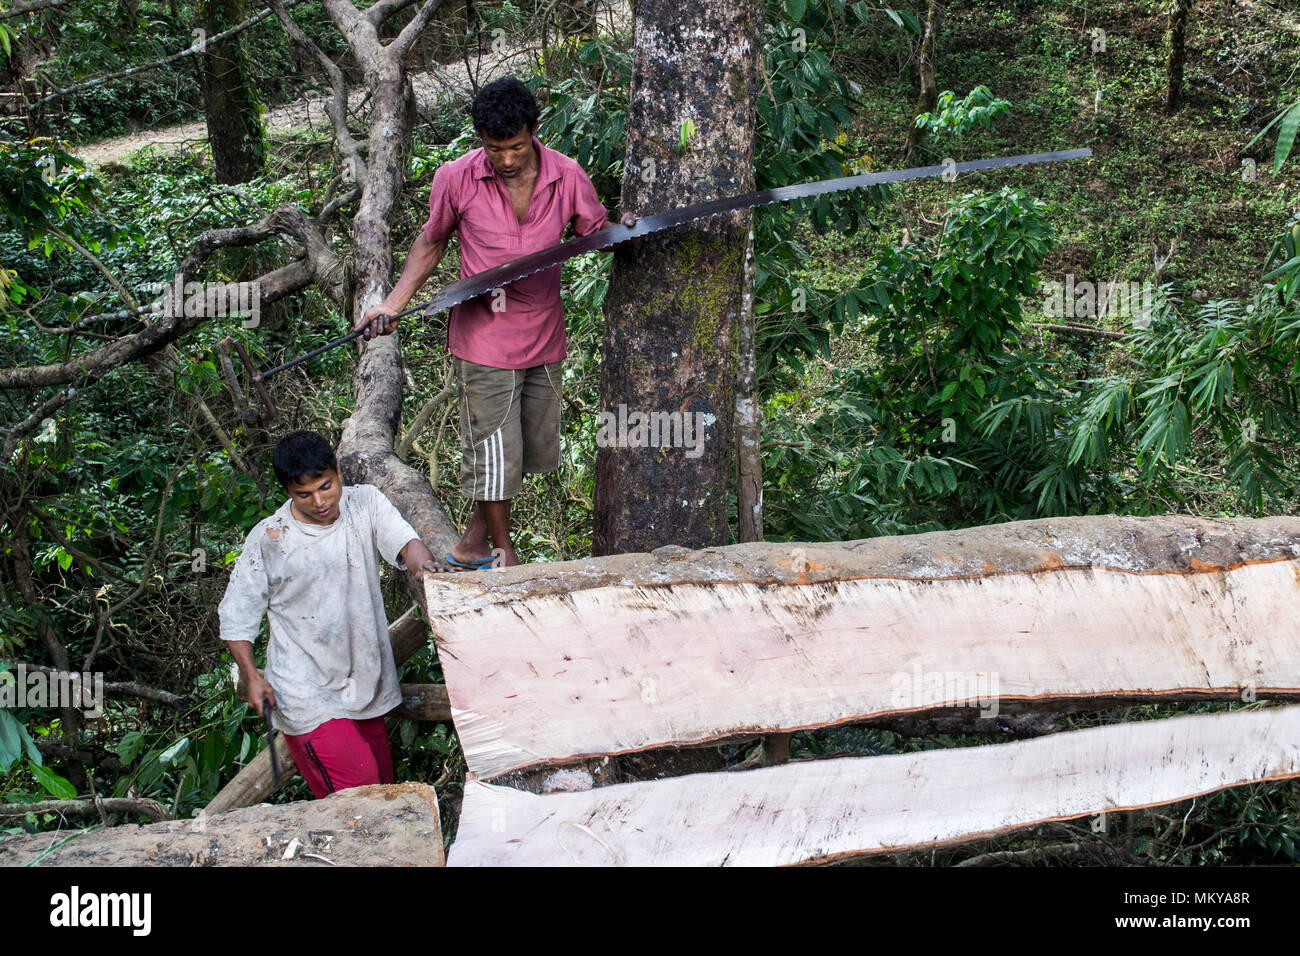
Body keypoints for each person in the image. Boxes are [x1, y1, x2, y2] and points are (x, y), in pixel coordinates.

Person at [354, 76, 635, 568]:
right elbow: (432, 241)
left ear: (534, 131)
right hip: (484, 340)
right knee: (492, 456)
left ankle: (470, 545)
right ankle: (505, 554)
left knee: (524, 454)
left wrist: (625, 231)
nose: (505, 160)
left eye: (516, 147)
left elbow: (594, 234)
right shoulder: (456, 176)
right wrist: (393, 303)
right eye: (494, 149)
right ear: (480, 141)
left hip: (544, 335)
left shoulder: (568, 175)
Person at [217, 431, 440, 799]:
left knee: (387, 792)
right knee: (363, 802)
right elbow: (236, 617)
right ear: (286, 491)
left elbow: (405, 542)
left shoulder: (365, 502)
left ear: (338, 470)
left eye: (326, 486)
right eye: (303, 494)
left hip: (365, 685)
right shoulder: (271, 538)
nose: (320, 501)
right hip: (307, 694)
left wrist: (426, 567)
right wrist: (251, 675)